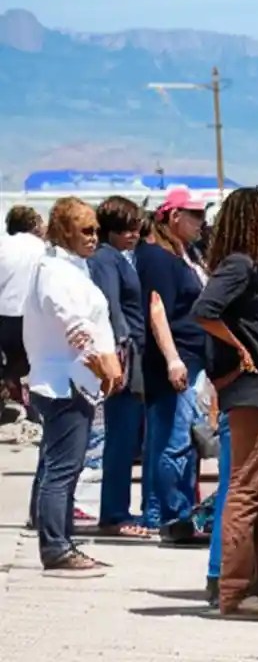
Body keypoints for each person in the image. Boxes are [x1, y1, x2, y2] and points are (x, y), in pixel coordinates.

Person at [193, 187, 258, 618]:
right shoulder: (238, 265)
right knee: (247, 488)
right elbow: (204, 309)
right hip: (252, 388)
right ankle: (234, 590)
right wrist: (240, 347)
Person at [25, 197, 123, 576]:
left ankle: (62, 541)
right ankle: (56, 547)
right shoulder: (55, 272)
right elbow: (75, 324)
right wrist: (102, 365)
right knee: (63, 468)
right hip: (62, 381)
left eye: (96, 230)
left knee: (64, 465)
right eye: (86, 230)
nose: (94, 237)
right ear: (65, 230)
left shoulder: (73, 268)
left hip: (73, 380)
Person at [134, 188, 208, 532]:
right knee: (174, 439)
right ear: (174, 216)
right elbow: (156, 309)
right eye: (195, 215)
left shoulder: (182, 254)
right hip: (177, 357)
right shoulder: (157, 258)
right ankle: (173, 511)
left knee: (170, 436)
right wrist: (173, 359)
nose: (201, 222)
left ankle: (161, 511)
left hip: (189, 354)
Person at [86, 196, 152, 537]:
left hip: (130, 351)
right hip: (125, 355)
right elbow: (110, 309)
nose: (133, 234)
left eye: (135, 228)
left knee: (126, 437)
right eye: (124, 229)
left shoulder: (116, 258)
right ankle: (114, 512)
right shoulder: (106, 261)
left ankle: (117, 509)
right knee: (121, 437)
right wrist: (120, 354)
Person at [1, 206, 46, 409]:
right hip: (31, 314)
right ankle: (30, 406)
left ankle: (11, 389)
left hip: (4, 313)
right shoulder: (40, 247)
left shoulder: (3, 244)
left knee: (10, 363)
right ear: (34, 225)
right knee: (31, 366)